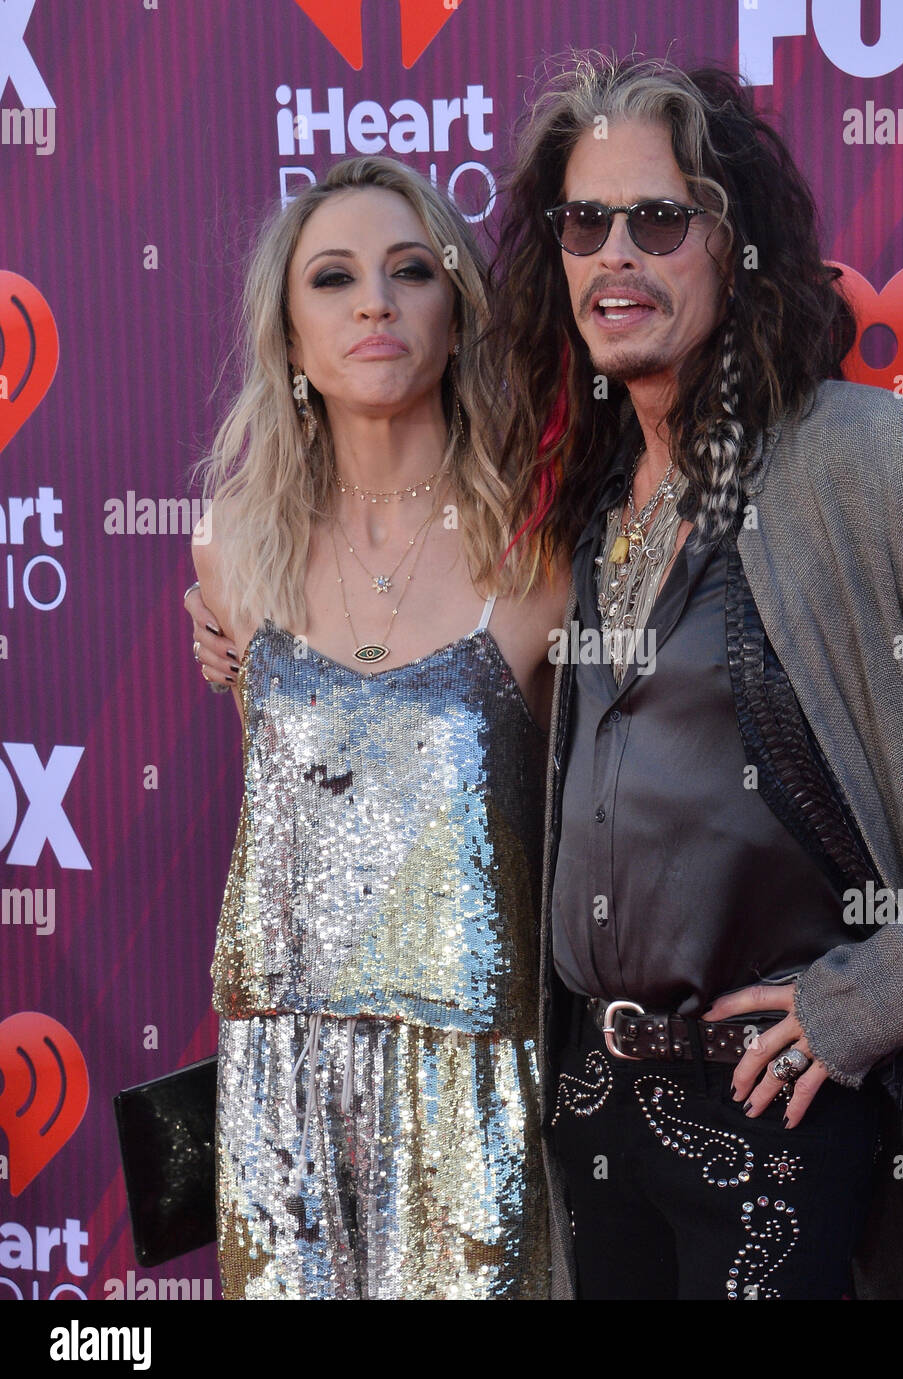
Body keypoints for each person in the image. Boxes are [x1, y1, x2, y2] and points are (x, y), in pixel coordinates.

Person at [482, 53, 903, 1299]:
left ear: (736, 248)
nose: (615, 254)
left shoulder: (864, 458)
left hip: (779, 1108)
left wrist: (882, 991)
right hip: (588, 1107)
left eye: (659, 218)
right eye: (585, 222)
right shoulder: (582, 495)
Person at [187, 154, 566, 1299]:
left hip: (476, 1092)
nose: (374, 303)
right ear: (289, 338)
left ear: (457, 315)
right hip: (277, 1092)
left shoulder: (541, 560)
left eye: (411, 271)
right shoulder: (229, 554)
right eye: (333, 278)